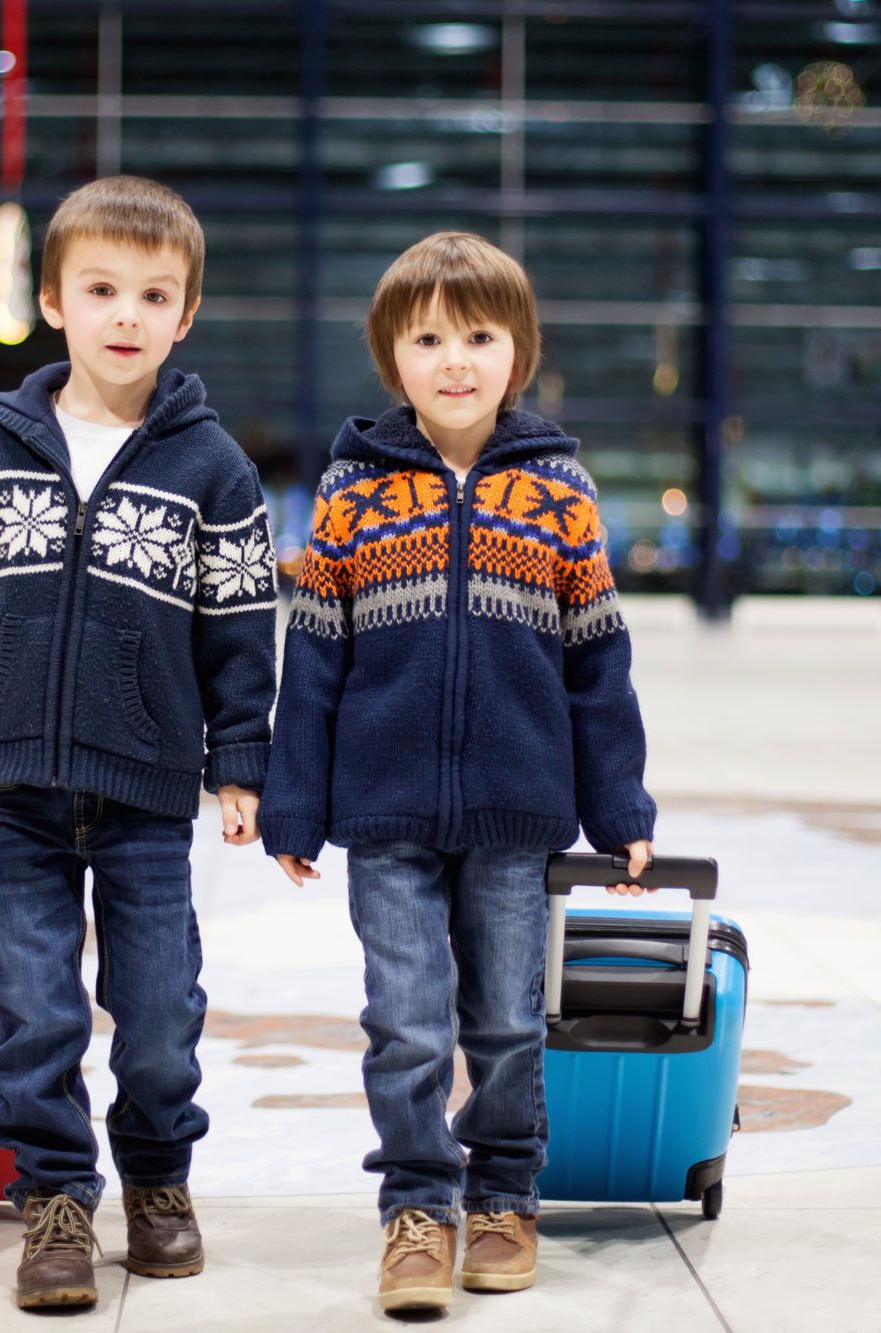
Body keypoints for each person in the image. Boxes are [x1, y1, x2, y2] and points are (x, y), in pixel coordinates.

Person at [0, 176, 277, 1312]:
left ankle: (156, 1180)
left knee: (156, 1012)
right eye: (101, 289)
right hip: (12, 783)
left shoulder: (214, 470)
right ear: (53, 300)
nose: (125, 316)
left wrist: (239, 763)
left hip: (145, 789)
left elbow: (243, 635)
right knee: (36, 1011)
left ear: (185, 315)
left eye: (154, 295)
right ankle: (53, 1198)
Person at [259, 231, 657, 1312]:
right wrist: (294, 798)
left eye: (478, 335)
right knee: (404, 1019)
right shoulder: (350, 491)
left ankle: (502, 1198)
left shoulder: (559, 493)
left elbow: (597, 663)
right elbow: (314, 660)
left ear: (515, 352)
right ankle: (415, 1211)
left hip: (515, 812)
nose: (454, 360)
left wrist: (617, 802)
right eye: (426, 336)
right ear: (392, 357)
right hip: (381, 813)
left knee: (504, 1021)